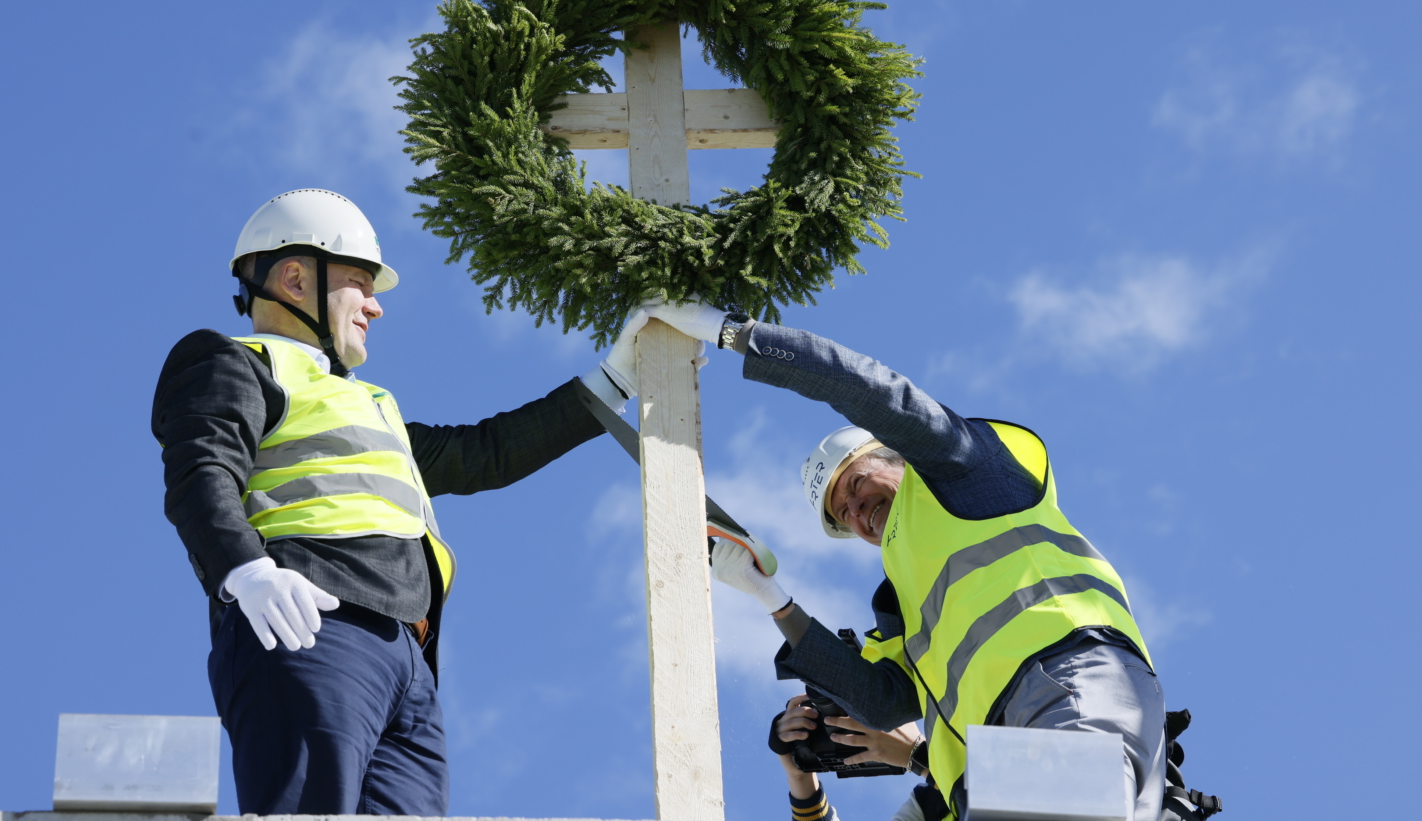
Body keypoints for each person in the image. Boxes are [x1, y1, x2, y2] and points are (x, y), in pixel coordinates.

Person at [152, 189, 644, 815]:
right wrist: (245, 571)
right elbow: (201, 470)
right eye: (360, 284)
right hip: (311, 624)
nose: (376, 306)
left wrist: (616, 380)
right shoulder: (235, 361)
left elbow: (485, 453)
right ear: (296, 279)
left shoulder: (373, 405)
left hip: (409, 659)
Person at [645, 300, 1166, 821]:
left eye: (855, 483)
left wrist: (736, 334)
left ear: (896, 457)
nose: (856, 510)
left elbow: (870, 389)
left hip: (1061, 681)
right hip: (996, 755)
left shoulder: (961, 468)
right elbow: (882, 701)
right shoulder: (913, 606)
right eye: (842, 514)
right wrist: (770, 597)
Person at [772, 694, 934, 821]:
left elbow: (953, 790)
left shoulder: (930, 804)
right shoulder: (927, 805)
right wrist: (800, 777)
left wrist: (917, 755)